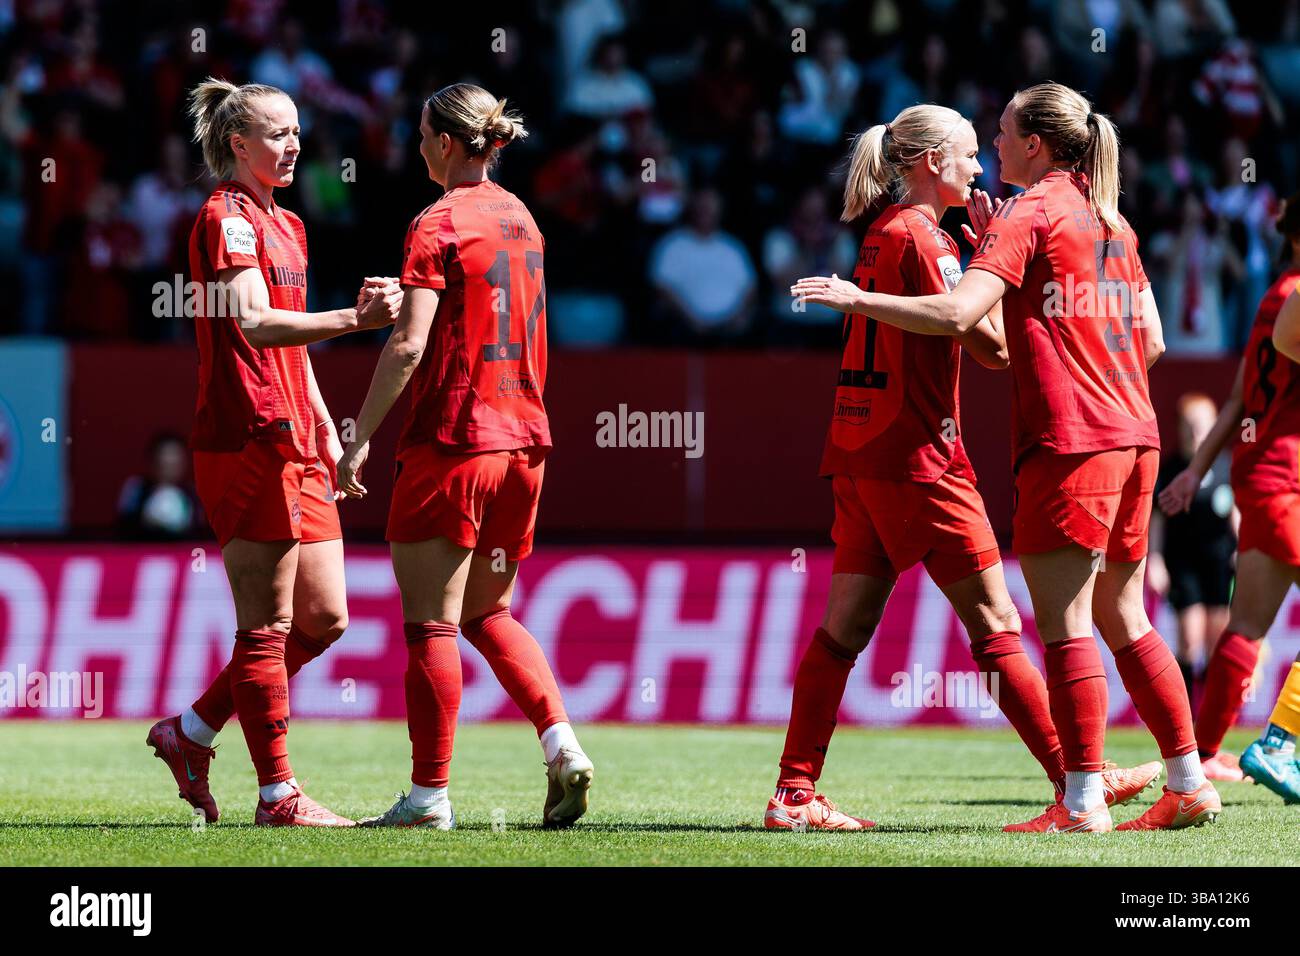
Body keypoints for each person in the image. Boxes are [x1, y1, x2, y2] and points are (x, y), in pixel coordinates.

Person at [794, 82, 1219, 833]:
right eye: (974, 142)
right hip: (1136, 435)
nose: (989, 150)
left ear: (1033, 144)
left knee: (1058, 627)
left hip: (1053, 442)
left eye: (998, 134)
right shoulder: (1113, 217)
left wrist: (859, 300)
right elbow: (1150, 341)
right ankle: (1186, 780)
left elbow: (971, 325)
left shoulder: (1012, 216)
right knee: (1126, 617)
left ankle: (1081, 798)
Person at [145, 78, 401, 827]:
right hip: (245, 436)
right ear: (237, 145)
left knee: (324, 618)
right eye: (278, 134)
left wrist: (324, 420)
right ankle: (277, 795)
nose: (294, 145)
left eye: (298, 132)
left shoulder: (287, 223)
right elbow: (255, 324)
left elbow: (289, 340)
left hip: (294, 433)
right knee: (267, 626)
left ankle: (189, 733)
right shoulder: (225, 219)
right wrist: (358, 318)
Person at [337, 83, 593, 830]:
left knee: (431, 627)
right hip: (526, 444)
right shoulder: (522, 216)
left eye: (422, 135)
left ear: (448, 142)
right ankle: (562, 746)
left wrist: (358, 437)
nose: (416, 146)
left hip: (454, 439)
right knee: (489, 611)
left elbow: (410, 342)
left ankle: (427, 799)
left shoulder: (436, 221)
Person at [1162, 192, 1300, 803]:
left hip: (1261, 474)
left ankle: (1201, 752)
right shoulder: (1296, 298)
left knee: (1246, 624)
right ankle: (1278, 743)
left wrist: (1197, 469)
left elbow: (1243, 397)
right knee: (1245, 623)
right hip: (1285, 478)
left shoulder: (1277, 298)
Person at [1147, 393, 1236, 731]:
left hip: (1219, 563)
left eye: (1201, 424)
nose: (1194, 431)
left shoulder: (1226, 466)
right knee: (1189, 638)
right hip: (1183, 564)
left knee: (1217, 644)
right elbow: (1157, 521)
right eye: (1189, 425)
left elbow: (1236, 515)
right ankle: (1183, 720)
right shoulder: (1169, 470)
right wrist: (1154, 560)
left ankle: (1210, 724)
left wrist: (1243, 548)